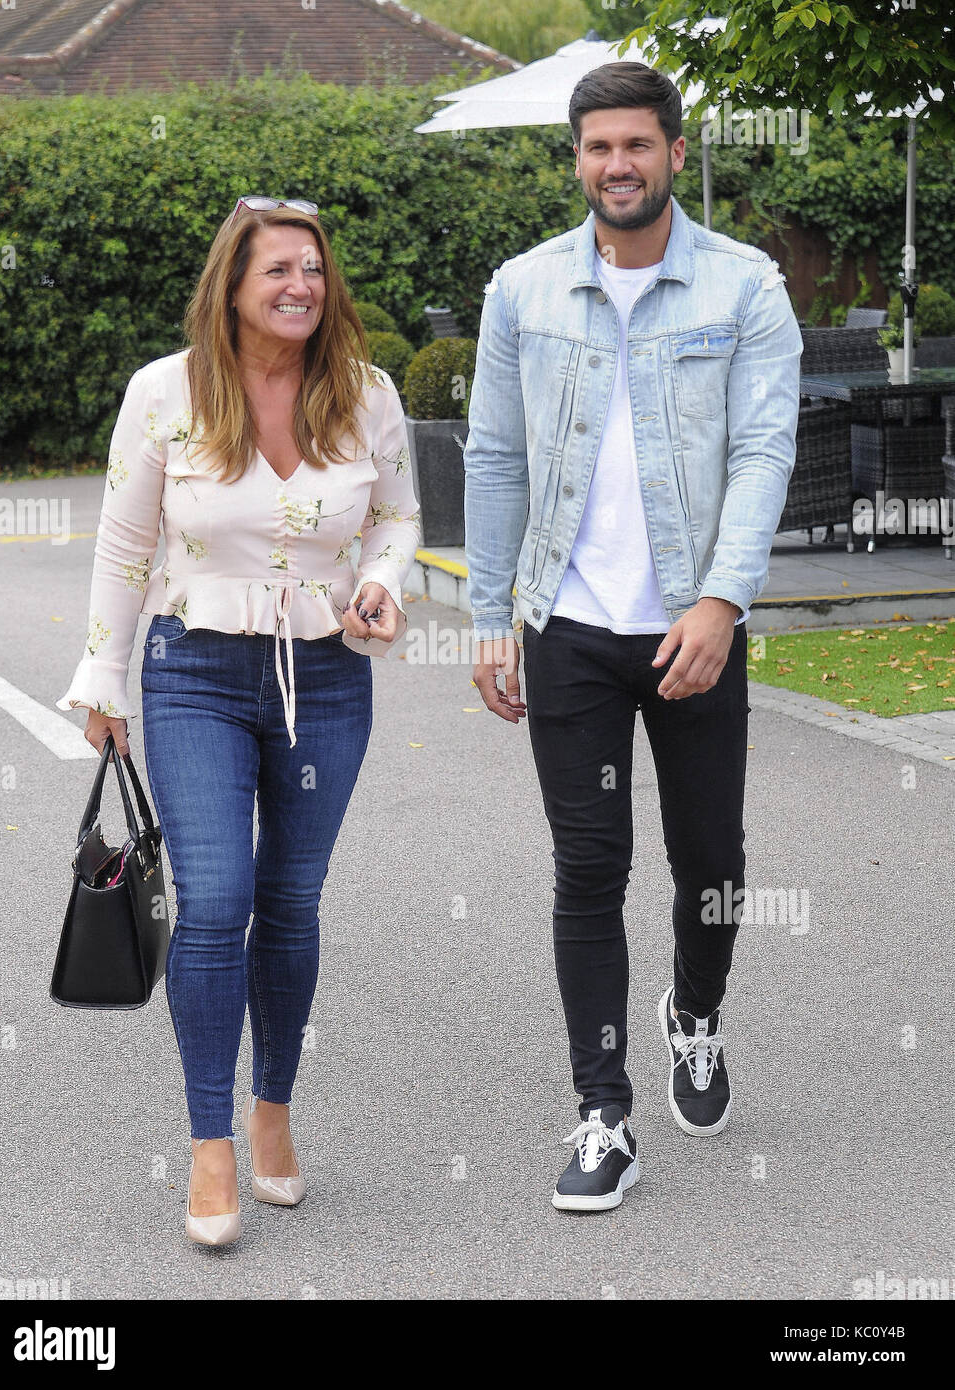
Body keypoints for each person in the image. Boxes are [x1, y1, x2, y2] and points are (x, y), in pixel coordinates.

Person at [464, 63, 802, 1211]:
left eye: (638, 146)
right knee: (587, 870)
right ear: (576, 159)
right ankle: (601, 1112)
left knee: (710, 862)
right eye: (598, 147)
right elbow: (496, 458)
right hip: (567, 626)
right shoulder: (521, 290)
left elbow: (762, 451)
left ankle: (693, 1014)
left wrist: (722, 599)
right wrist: (488, 614)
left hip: (693, 628)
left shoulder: (744, 286)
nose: (618, 165)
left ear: (671, 151)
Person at [57, 195, 420, 1245]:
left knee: (290, 901)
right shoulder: (163, 393)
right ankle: (208, 1140)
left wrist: (384, 580)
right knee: (213, 901)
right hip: (194, 670)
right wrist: (102, 678)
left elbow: (397, 517)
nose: (300, 285)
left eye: (312, 268)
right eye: (277, 270)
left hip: (327, 673)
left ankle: (275, 1115)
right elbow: (124, 543)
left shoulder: (365, 393)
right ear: (233, 283)